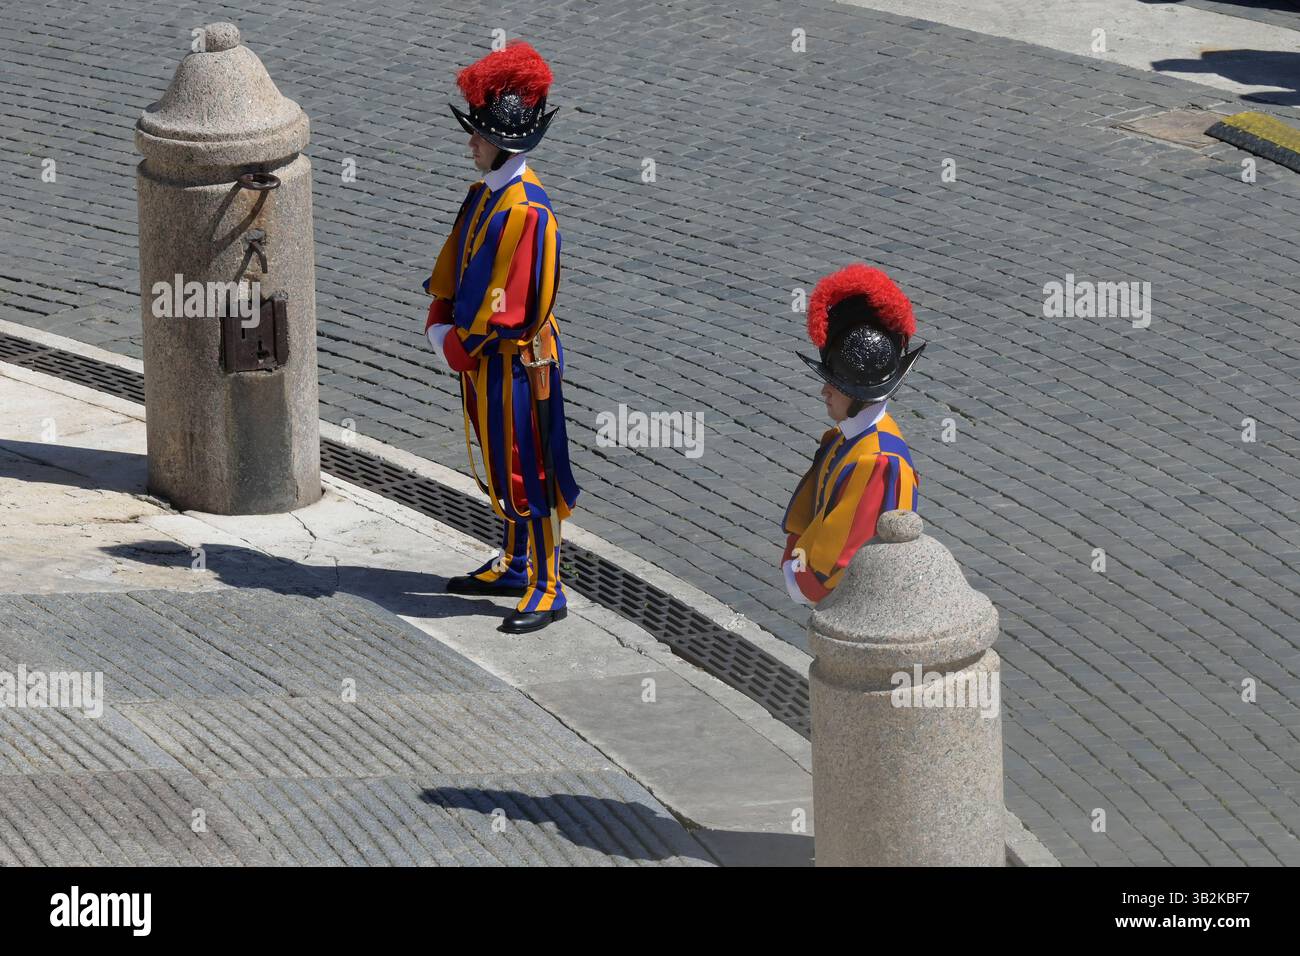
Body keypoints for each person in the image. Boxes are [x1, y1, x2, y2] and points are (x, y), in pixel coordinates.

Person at [422, 40, 579, 634]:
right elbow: (457, 265)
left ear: (503, 142)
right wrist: (441, 312)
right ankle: (516, 561)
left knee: (528, 467)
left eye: (479, 136)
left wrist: (455, 342)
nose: (471, 143)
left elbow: (511, 309)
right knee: (500, 460)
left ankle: (547, 583)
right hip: (491, 359)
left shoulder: (525, 212)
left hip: (516, 361)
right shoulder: (487, 195)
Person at [781, 264, 926, 606]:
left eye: (836, 384)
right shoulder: (847, 440)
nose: (824, 391)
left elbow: (823, 576)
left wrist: (794, 567)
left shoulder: (877, 461)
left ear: (860, 393)